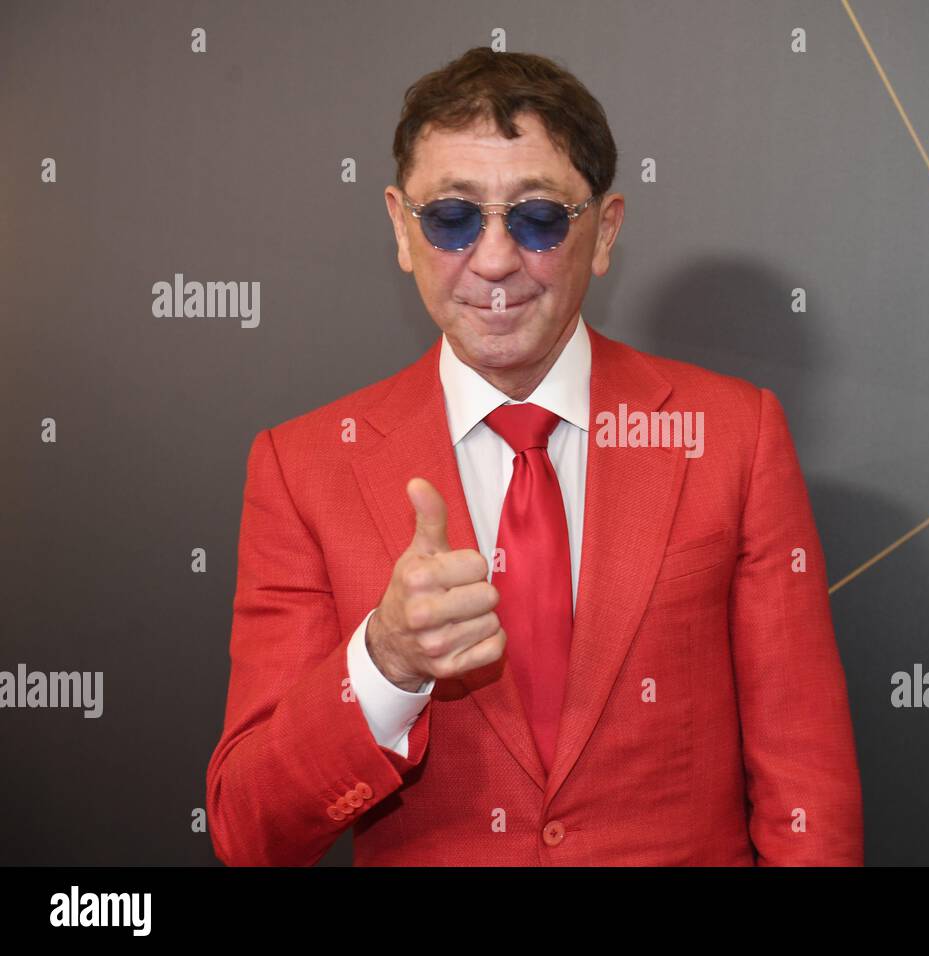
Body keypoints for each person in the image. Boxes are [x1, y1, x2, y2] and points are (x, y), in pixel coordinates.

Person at [205, 46, 863, 866]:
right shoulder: (301, 468)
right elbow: (249, 832)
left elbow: (808, 788)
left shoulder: (734, 435)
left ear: (605, 231)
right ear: (401, 231)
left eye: (538, 217)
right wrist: (387, 663)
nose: (492, 261)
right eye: (450, 217)